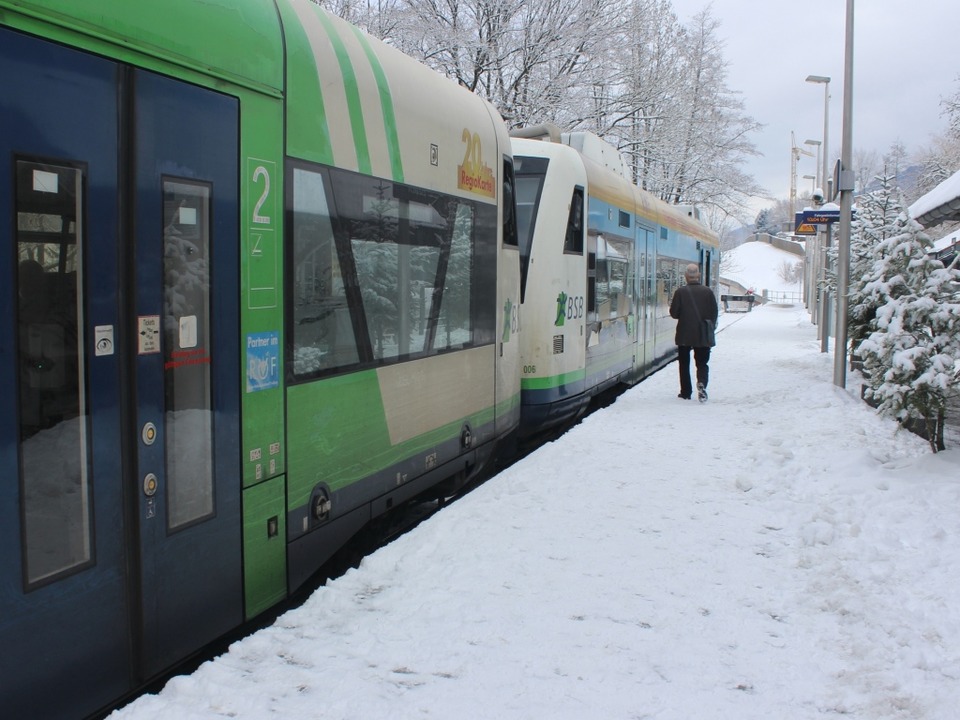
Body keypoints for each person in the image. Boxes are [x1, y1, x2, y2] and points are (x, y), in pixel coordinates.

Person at [669, 263, 718, 402]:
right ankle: (702, 382)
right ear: (698, 276)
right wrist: (709, 327)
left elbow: (674, 313)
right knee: (702, 363)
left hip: (684, 334)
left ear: (686, 277)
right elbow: (714, 313)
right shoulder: (708, 292)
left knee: (684, 364)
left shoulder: (680, 292)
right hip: (702, 334)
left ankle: (685, 392)